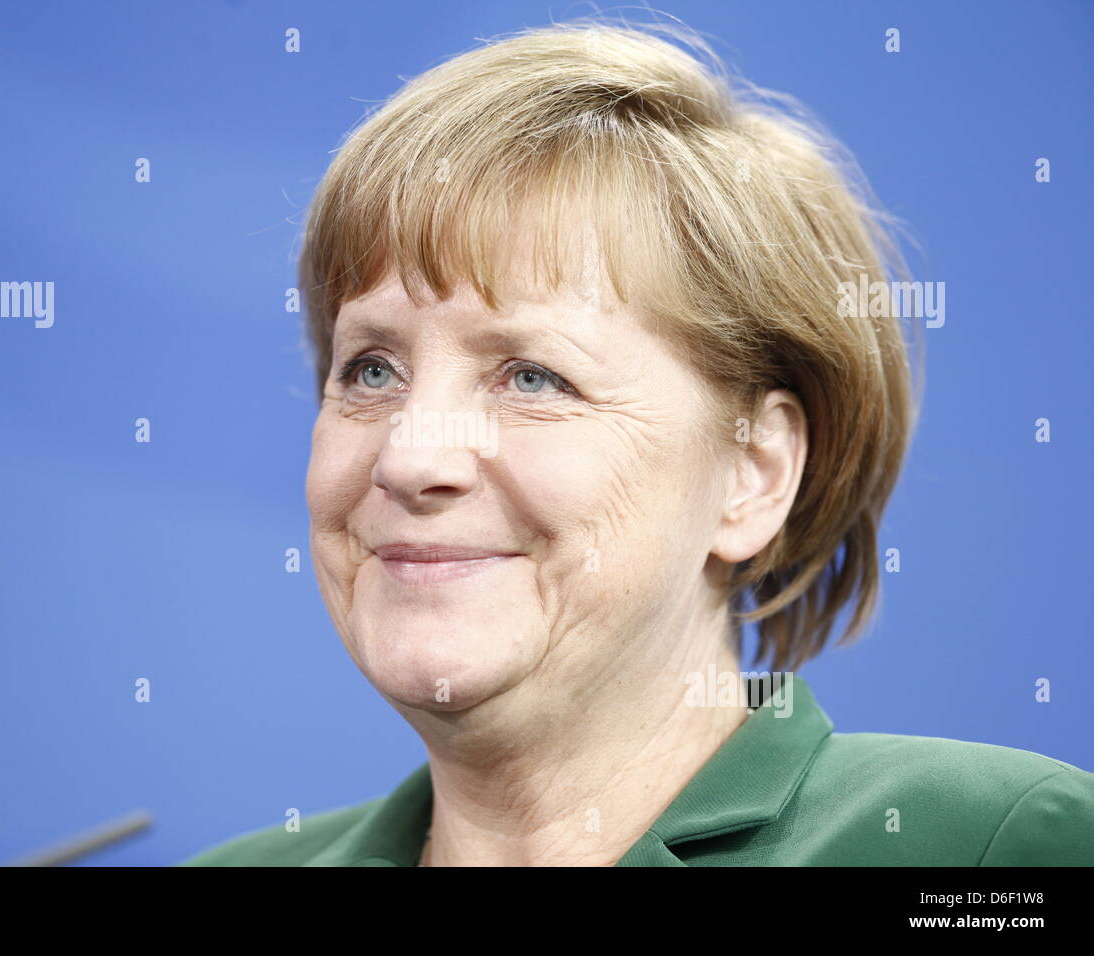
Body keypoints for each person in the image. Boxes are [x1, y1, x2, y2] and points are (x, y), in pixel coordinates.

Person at [182, 19, 1094, 866]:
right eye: (371, 370)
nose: (411, 458)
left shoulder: (988, 846)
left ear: (752, 474)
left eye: (532, 377)